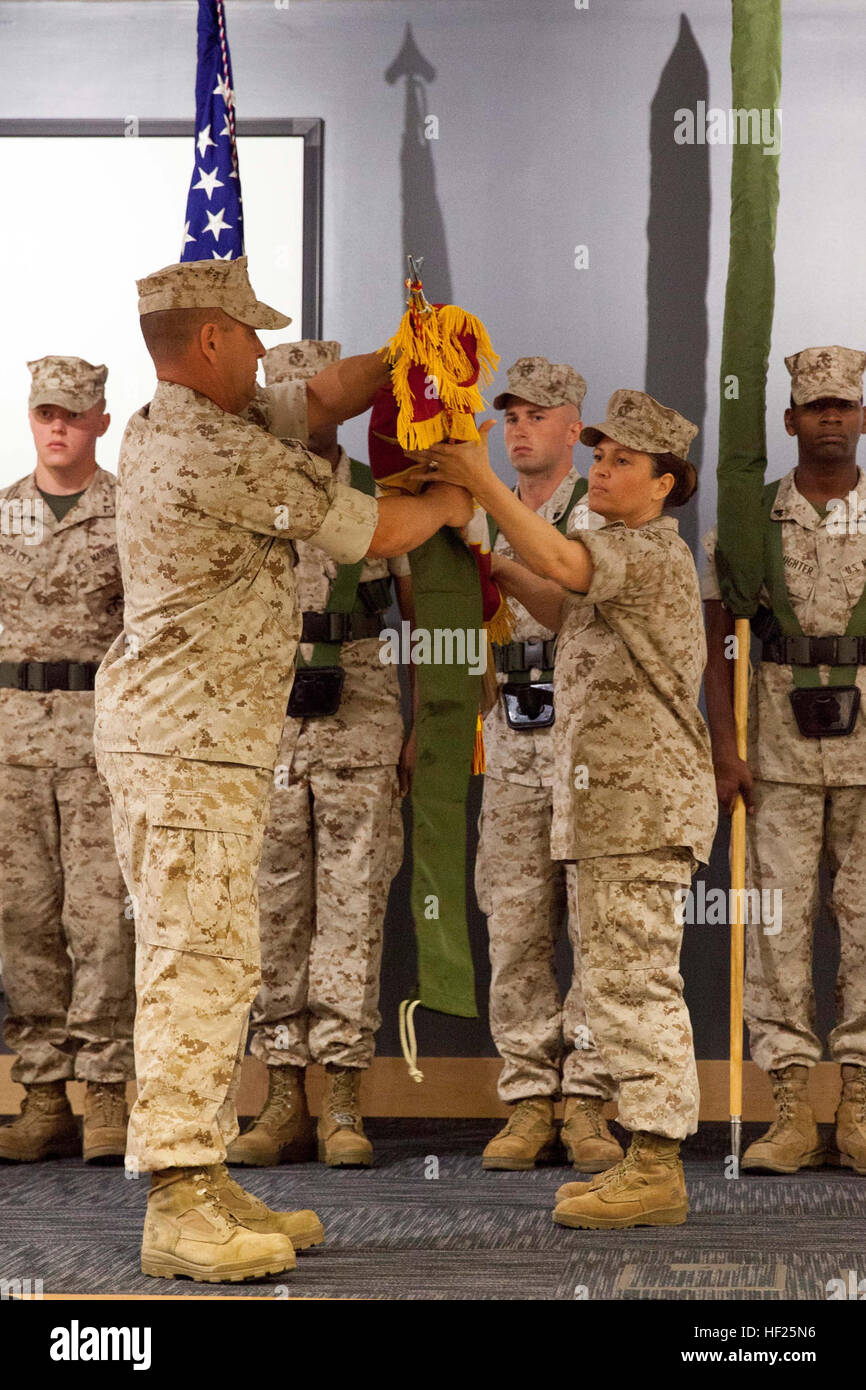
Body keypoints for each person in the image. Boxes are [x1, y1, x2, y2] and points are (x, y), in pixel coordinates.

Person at [93, 256, 473, 1282]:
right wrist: (449, 502)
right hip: (184, 747)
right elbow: (377, 528)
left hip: (200, 744)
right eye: (251, 335)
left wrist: (410, 355)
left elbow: (317, 396)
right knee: (192, 966)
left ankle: (203, 1174)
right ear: (210, 341)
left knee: (218, 962)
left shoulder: (179, 420)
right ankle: (177, 1200)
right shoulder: (212, 453)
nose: (265, 353)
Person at [408, 389, 717, 1229]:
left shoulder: (647, 549)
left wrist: (481, 477)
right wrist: (495, 561)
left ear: (665, 485)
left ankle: (654, 1163)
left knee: (632, 983)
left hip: (637, 809)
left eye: (622, 461)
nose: (602, 470)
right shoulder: (622, 549)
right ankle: (648, 1158)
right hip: (615, 810)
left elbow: (572, 570)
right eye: (601, 456)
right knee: (621, 979)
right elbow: (564, 605)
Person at [228, 340, 412, 1170]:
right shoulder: (239, 492)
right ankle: (277, 1099)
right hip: (263, 731)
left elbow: (431, 615)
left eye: (316, 400)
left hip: (361, 727)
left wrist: (425, 727)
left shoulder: (379, 498)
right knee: (271, 919)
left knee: (350, 916)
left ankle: (341, 1101)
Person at [702, 345, 866, 1175]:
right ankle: (793, 1109)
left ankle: (863, 1106)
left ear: (862, 416)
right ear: (792, 420)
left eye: (845, 404)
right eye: (817, 406)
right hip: (776, 757)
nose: (832, 417)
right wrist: (724, 750)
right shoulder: (750, 520)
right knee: (775, 929)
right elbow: (718, 643)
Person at [474, 357, 622, 1174]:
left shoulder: (598, 510)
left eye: (541, 415)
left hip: (585, 748)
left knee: (595, 929)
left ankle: (591, 1101)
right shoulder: (478, 516)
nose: (524, 427)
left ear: (575, 429)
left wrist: (503, 568)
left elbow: (574, 609)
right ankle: (530, 1098)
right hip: (511, 741)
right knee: (515, 925)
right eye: (513, 415)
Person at [0, 356, 134, 1166]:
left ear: (100, 421)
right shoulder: (4, 513)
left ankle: (109, 1088)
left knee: (101, 921)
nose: (56, 426)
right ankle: (43, 1091)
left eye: (72, 413)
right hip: (13, 740)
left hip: (95, 741)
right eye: (45, 412)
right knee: (23, 919)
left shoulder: (129, 510)